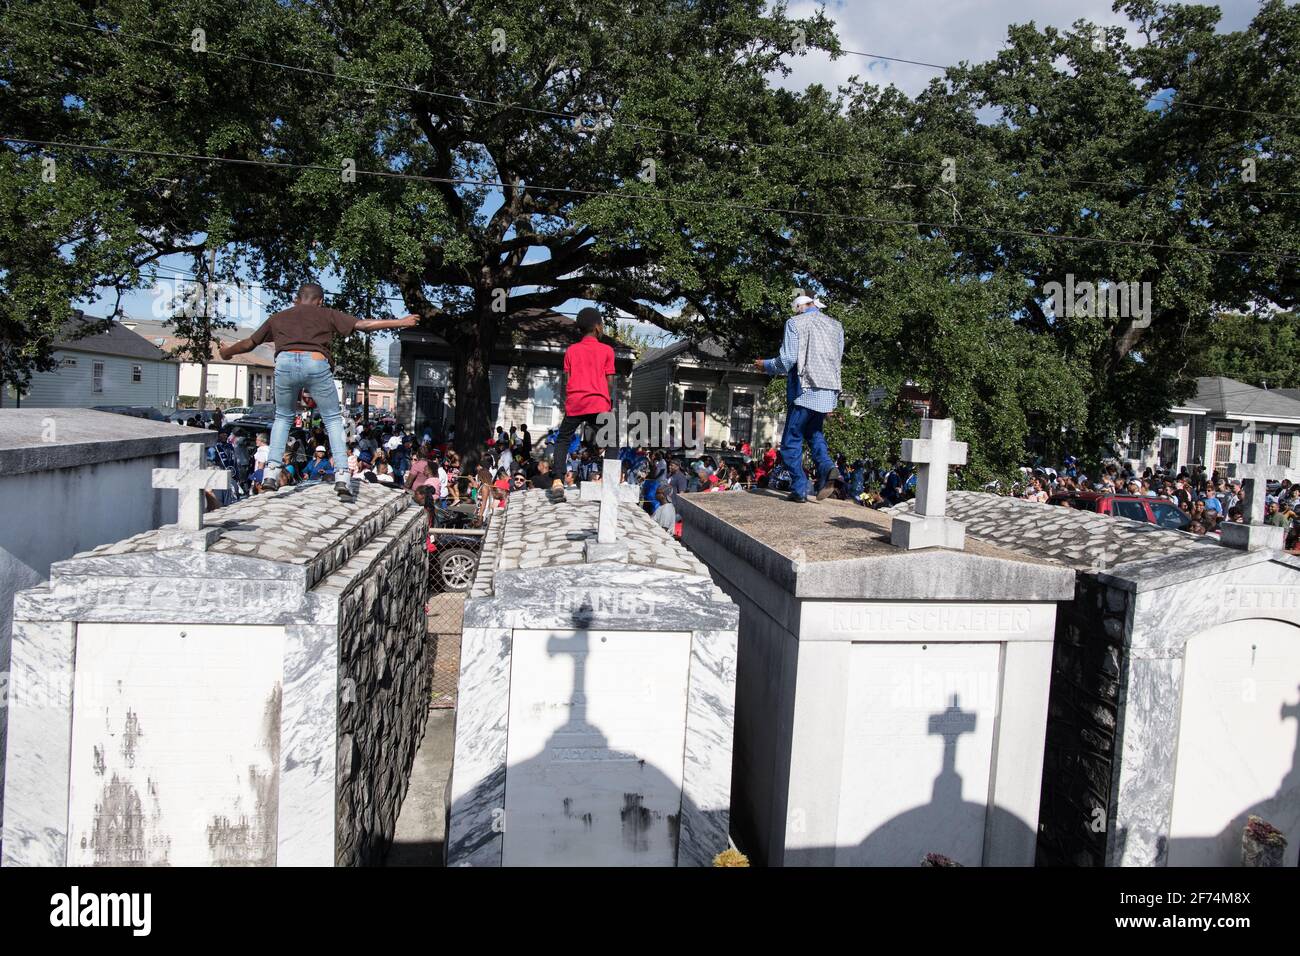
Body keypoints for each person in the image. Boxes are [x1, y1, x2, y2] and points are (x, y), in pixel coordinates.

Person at [218, 281, 418, 499]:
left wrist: (227, 352)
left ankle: (270, 474)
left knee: (283, 417)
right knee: (332, 418)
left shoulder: (278, 317)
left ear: (296, 299)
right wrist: (401, 321)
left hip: (284, 362)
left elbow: (249, 343)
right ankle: (342, 475)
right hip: (316, 361)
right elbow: (364, 325)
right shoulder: (326, 314)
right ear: (320, 301)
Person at [754, 293, 843, 503]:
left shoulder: (795, 323)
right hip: (828, 390)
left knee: (789, 444)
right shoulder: (836, 326)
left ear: (799, 307)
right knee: (814, 434)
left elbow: (786, 360)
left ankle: (799, 488)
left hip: (804, 389)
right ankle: (827, 467)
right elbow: (837, 358)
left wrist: (765, 365)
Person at [549, 308, 615, 502]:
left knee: (563, 440)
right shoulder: (607, 350)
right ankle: (607, 481)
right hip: (598, 402)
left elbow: (567, 379)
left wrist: (572, 398)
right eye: (602, 325)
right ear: (597, 327)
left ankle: (558, 481)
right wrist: (606, 400)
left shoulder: (571, 350)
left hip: (576, 403)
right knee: (612, 440)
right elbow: (609, 380)